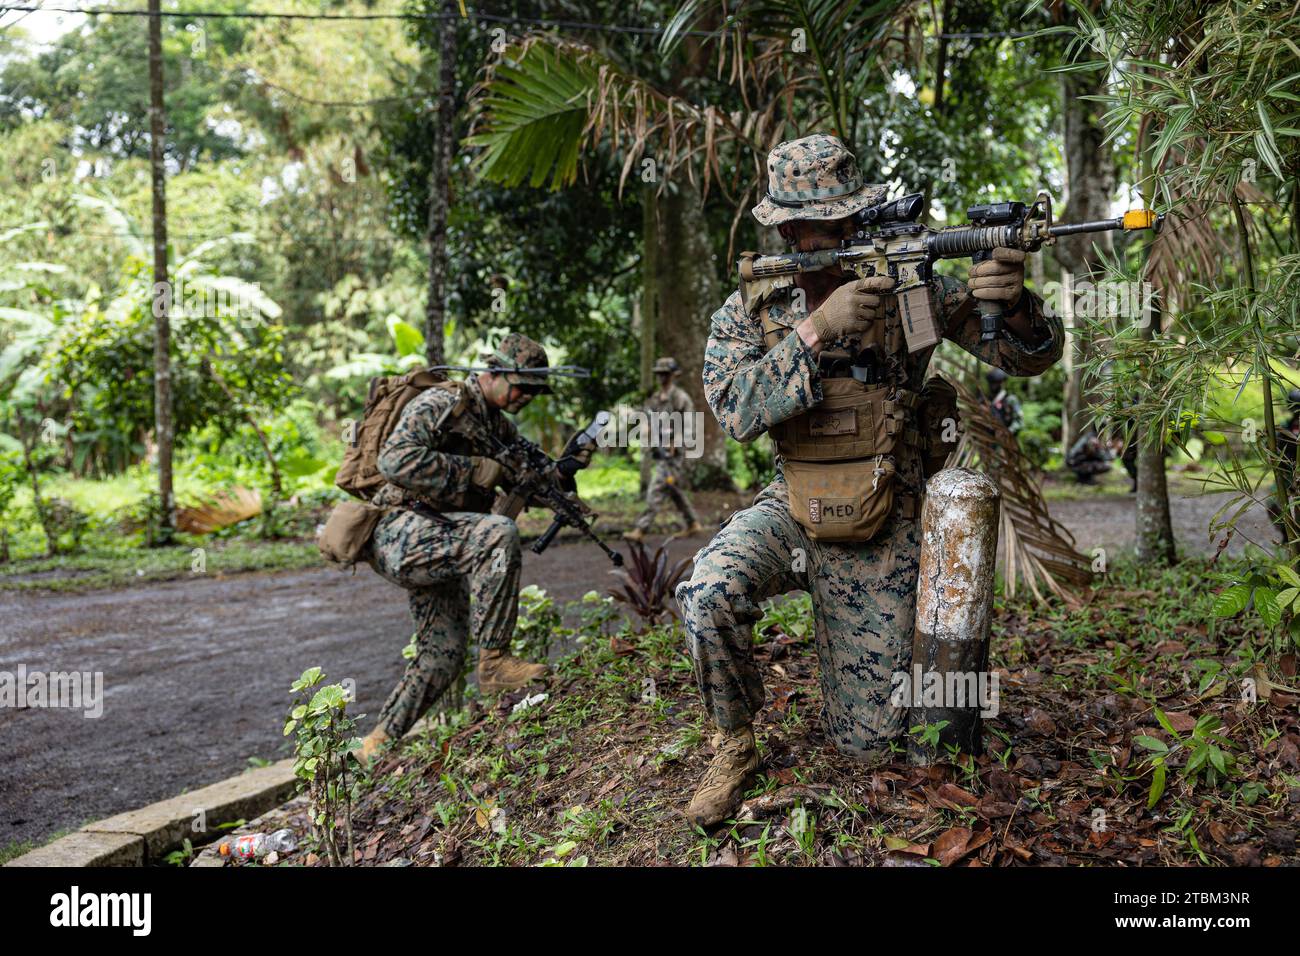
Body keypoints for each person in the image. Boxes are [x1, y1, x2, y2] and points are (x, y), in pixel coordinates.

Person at [674, 134, 1064, 827]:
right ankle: (732, 743)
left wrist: (1015, 299)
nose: (841, 233)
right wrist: (815, 331)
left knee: (871, 746)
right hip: (794, 503)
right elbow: (733, 409)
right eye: (823, 224)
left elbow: (1025, 357)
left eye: (851, 219)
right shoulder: (754, 308)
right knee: (708, 590)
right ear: (789, 229)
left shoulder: (909, 287)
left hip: (887, 515)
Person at [356, 333, 558, 761]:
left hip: (442, 537)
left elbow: (532, 477)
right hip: (399, 531)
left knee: (442, 655)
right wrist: (474, 471)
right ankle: (495, 662)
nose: (526, 397)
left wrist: (563, 472)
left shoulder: (499, 427)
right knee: (497, 533)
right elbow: (395, 460)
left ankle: (375, 746)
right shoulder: (442, 403)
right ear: (493, 373)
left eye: (535, 391)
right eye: (522, 386)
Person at [624, 356, 705, 541]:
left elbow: (689, 424)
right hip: (660, 449)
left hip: (674, 453)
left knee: (657, 486)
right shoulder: (655, 399)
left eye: (665, 374)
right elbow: (647, 419)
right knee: (672, 488)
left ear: (673, 375)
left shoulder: (680, 398)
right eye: (659, 374)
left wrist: (675, 443)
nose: (661, 378)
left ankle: (641, 529)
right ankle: (693, 524)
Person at [1268, 387, 1300, 542]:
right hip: (1287, 473)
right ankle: (1287, 535)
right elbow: (1276, 448)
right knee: (1272, 503)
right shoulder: (1285, 427)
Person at [985, 367, 1023, 434]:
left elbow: (1019, 421)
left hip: (1006, 440)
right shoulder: (987, 400)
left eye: (995, 383)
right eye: (991, 383)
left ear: (1001, 383)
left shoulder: (1010, 399)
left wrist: (1007, 432)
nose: (993, 386)